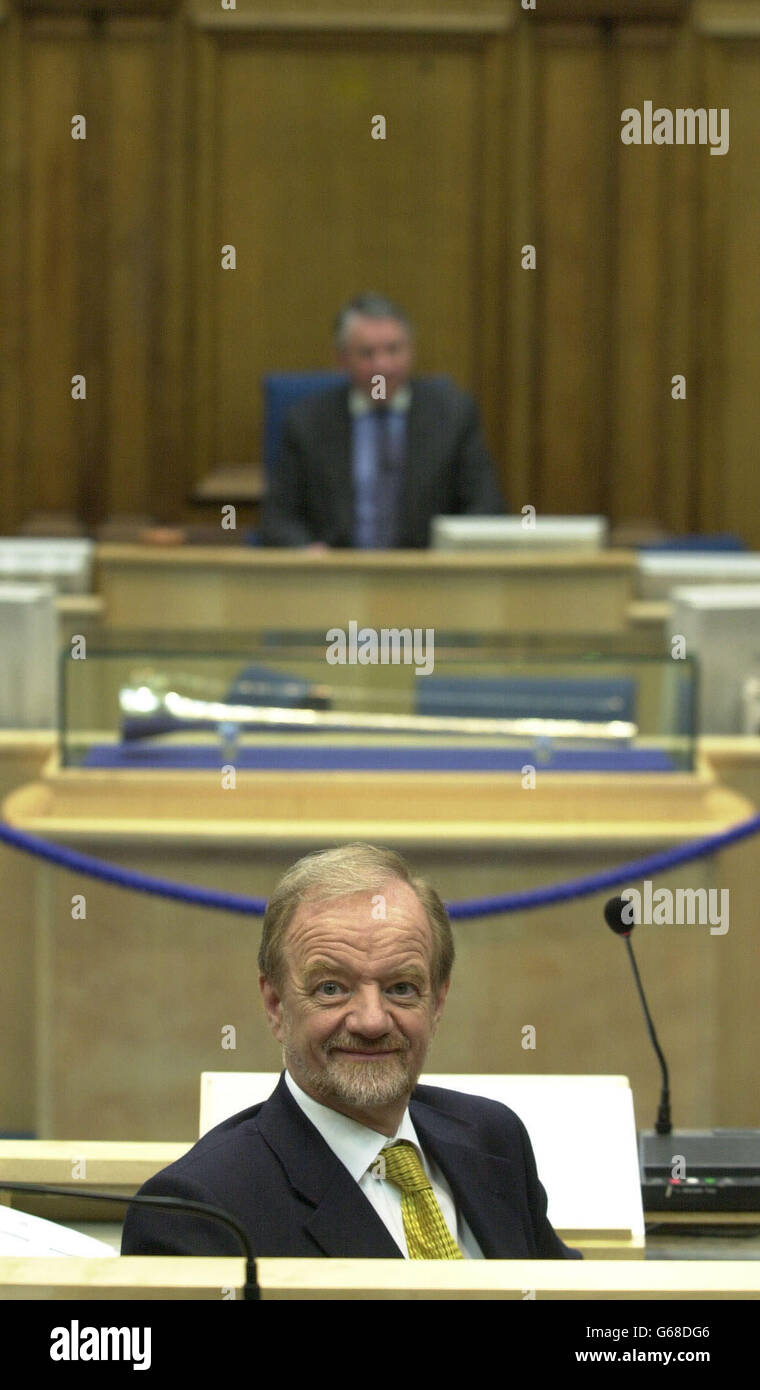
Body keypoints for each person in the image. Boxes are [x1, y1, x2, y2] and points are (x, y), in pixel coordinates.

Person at [121, 844, 581, 1261]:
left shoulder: (493, 1139)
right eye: (332, 988)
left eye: (401, 988)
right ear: (276, 1005)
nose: (371, 1021)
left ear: (437, 1002)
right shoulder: (198, 1213)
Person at [260, 294, 504, 549]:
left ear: (411, 351)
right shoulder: (307, 422)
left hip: (426, 575)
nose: (383, 366)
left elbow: (486, 509)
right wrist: (307, 551)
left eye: (393, 350)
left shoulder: (453, 415)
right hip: (338, 576)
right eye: (367, 354)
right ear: (342, 359)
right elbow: (278, 518)